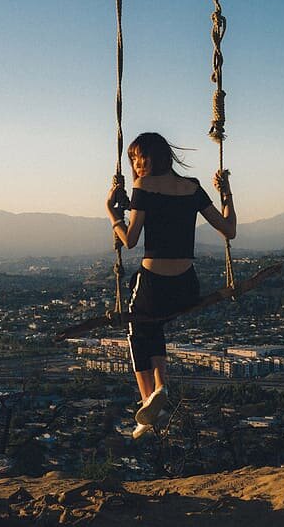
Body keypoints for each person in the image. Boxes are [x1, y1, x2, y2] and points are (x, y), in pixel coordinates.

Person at [105, 132, 236, 439]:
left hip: (154, 284)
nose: (137, 165)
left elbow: (131, 239)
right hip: (186, 287)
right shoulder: (192, 187)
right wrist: (226, 193)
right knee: (156, 323)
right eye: (133, 160)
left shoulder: (144, 185)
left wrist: (112, 212)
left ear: (155, 158)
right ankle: (160, 388)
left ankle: (147, 403)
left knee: (138, 328)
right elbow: (229, 230)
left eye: (140, 158)